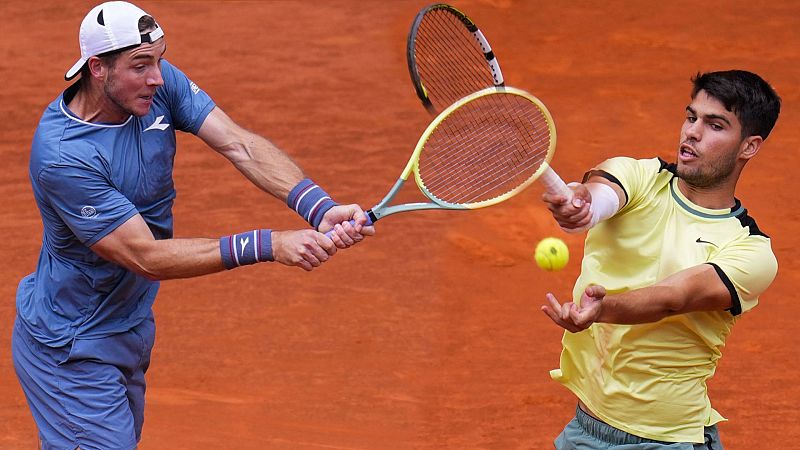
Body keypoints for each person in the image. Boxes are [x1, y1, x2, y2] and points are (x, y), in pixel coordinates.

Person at [11, 2, 373, 448]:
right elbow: (145, 256)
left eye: (160, 60)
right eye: (141, 65)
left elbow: (239, 144)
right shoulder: (66, 158)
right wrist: (270, 244)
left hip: (128, 326)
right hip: (73, 347)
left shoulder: (155, 86)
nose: (158, 77)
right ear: (97, 69)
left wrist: (318, 206)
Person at [540, 70, 781, 449]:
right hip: (584, 430)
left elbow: (673, 297)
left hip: (667, 441)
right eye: (691, 117)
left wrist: (602, 310)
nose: (692, 133)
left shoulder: (750, 251)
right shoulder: (638, 176)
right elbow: (602, 196)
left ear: (748, 147)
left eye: (714, 125)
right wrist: (584, 206)